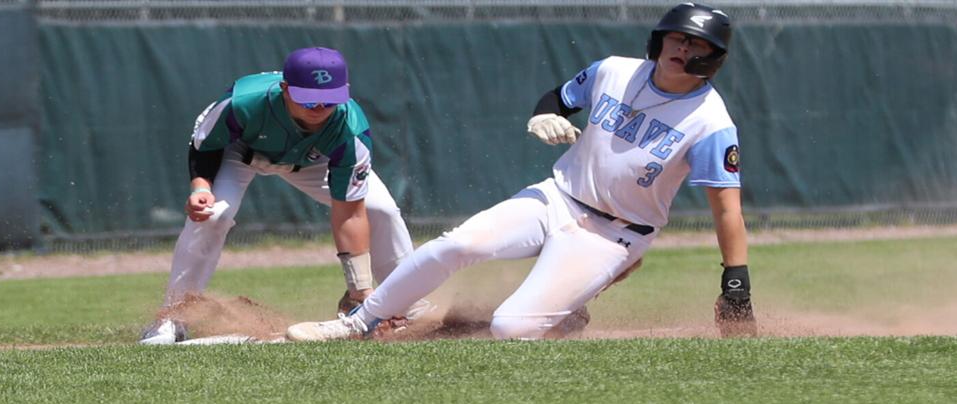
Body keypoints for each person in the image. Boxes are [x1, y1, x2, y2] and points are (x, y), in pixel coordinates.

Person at [286, 2, 755, 342]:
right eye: (677, 37)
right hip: (556, 196)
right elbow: (559, 98)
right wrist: (544, 115)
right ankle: (357, 321)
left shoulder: (710, 122)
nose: (682, 48)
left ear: (712, 58)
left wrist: (736, 281)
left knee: (511, 328)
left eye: (696, 44)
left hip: (614, 234)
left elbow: (726, 210)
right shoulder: (614, 71)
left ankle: (567, 310)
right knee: (457, 243)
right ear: (660, 39)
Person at [142, 46, 420, 344]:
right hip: (242, 152)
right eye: (309, 98)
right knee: (213, 216)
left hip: (314, 160)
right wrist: (200, 187)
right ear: (286, 89)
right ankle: (173, 318)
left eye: (329, 98)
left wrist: (360, 288)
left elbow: (349, 211)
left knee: (382, 210)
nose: (319, 106)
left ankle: (408, 307)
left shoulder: (350, 128)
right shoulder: (242, 103)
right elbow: (206, 146)